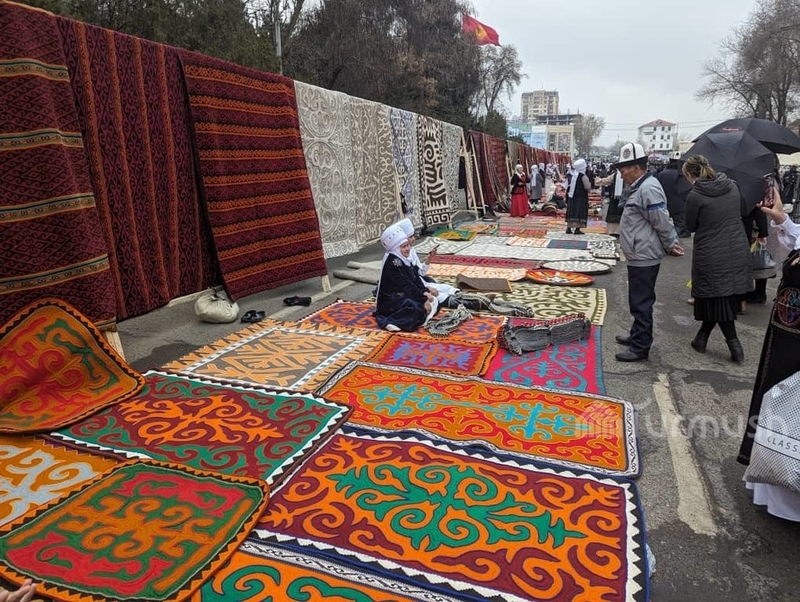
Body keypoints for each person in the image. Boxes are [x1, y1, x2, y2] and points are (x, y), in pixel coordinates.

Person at [737, 194, 800, 520]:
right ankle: (770, 473)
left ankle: (789, 482)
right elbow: (792, 244)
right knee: (776, 396)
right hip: (786, 332)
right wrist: (780, 220)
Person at [614, 142, 684, 362]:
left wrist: (671, 243)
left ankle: (640, 347)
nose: (621, 173)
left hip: (644, 255)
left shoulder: (648, 188)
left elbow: (661, 220)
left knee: (641, 302)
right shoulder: (640, 186)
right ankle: (637, 335)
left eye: (624, 168)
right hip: (639, 253)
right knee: (637, 299)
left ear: (637, 167)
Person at [682, 155, 753, 363]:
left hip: (711, 250)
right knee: (722, 297)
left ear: (689, 174)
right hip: (737, 246)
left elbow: (690, 225)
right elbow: (740, 211)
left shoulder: (695, 195)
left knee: (718, 297)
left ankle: (735, 346)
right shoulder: (732, 186)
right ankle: (701, 338)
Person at [374, 224, 438, 332]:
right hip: (390, 301)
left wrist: (425, 292)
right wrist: (423, 298)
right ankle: (390, 321)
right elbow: (406, 285)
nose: (408, 249)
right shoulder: (394, 262)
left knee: (432, 300)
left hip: (401, 295)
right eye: (403, 247)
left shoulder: (402, 259)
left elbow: (415, 278)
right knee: (415, 308)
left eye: (407, 245)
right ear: (396, 249)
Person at [658, 152, 692, 238]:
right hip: (679, 204)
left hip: (665, 203)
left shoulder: (662, 174)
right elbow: (687, 190)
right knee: (679, 225)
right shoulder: (682, 175)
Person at [596, 168, 624, 236]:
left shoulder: (615, 174)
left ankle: (613, 230)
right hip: (624, 198)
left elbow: (606, 180)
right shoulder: (629, 174)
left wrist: (599, 180)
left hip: (615, 198)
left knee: (615, 213)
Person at [565, 158, 590, 234]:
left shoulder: (574, 175)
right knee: (579, 212)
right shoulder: (583, 176)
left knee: (572, 211)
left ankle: (568, 228)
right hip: (581, 197)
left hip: (572, 197)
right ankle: (577, 229)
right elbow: (587, 187)